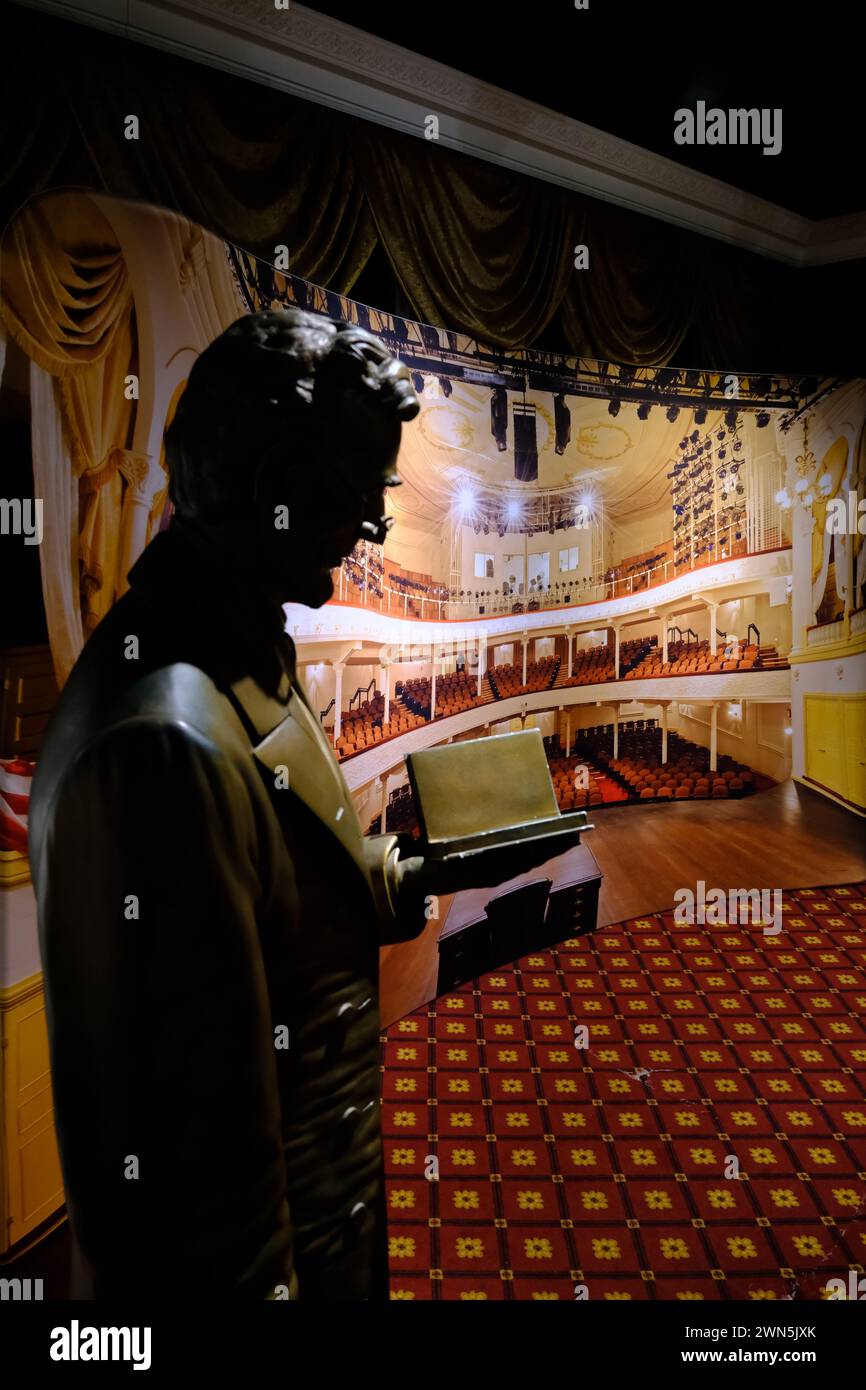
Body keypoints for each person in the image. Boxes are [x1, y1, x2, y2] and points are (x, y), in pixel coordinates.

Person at [29, 309, 554, 1301]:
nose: (370, 531)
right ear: (273, 491)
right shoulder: (159, 745)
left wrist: (424, 870)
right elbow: (195, 1211)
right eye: (355, 497)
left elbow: (282, 903)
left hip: (331, 1229)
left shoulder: (243, 644)